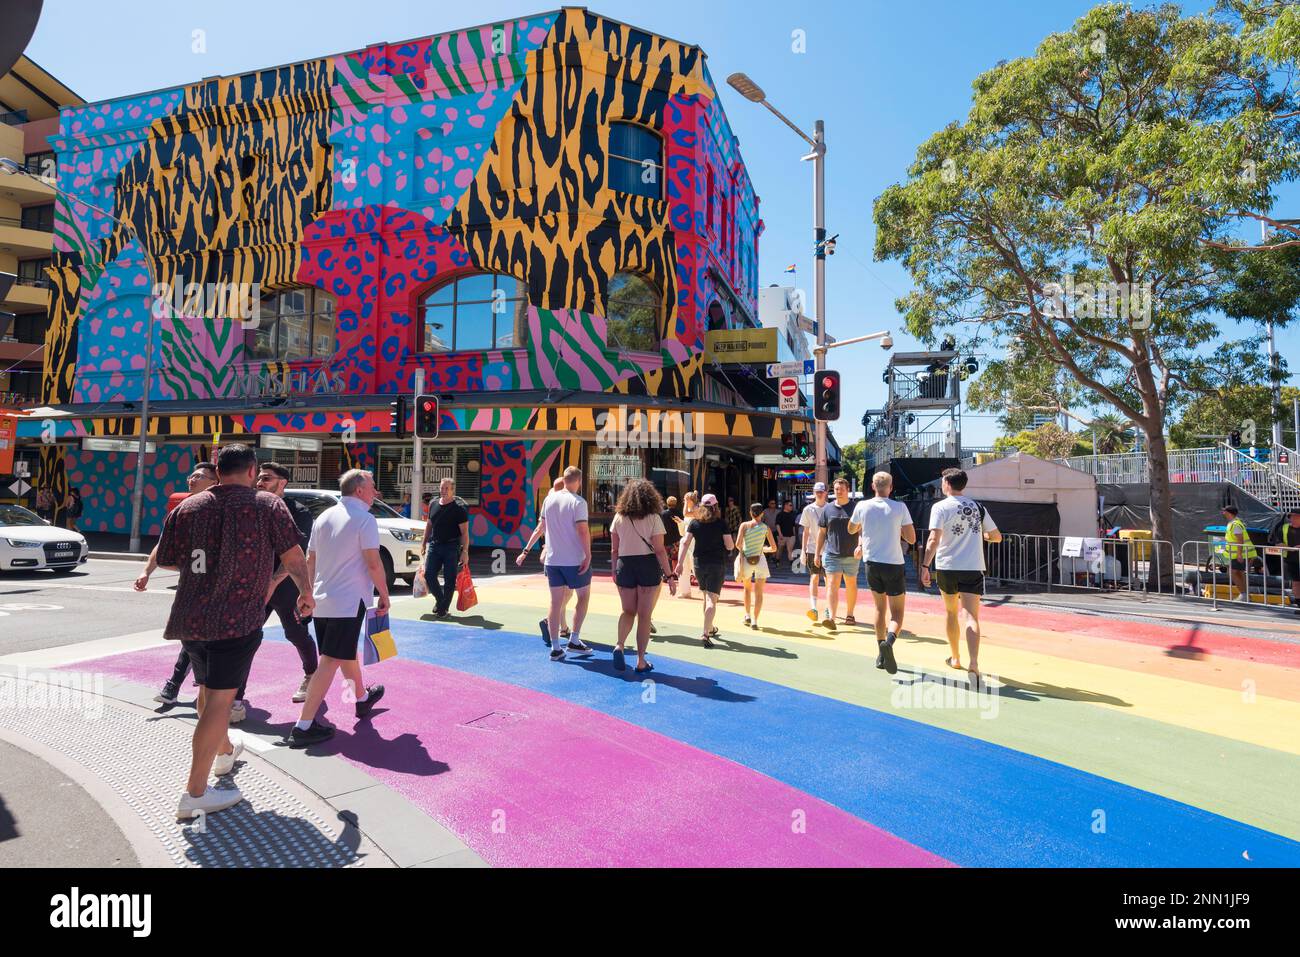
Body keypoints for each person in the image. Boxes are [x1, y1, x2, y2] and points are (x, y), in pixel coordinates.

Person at [154, 443, 313, 821]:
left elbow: (167, 558)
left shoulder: (189, 507)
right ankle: (195, 792)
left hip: (191, 616)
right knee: (220, 701)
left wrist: (205, 569)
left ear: (218, 469)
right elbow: (293, 557)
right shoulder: (268, 505)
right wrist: (306, 593)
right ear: (251, 468)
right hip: (237, 617)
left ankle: (224, 755)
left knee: (209, 692)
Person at [289, 469, 390, 748]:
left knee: (342, 654)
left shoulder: (324, 517)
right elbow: (373, 563)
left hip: (323, 600)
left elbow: (311, 560)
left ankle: (361, 698)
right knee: (330, 660)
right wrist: (384, 594)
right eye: (371, 486)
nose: (374, 491)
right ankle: (303, 725)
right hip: (348, 601)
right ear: (359, 490)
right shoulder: (365, 520)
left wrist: (305, 593)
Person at [141, 462, 229, 710]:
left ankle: (189, 687)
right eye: (192, 475)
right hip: (191, 587)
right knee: (191, 638)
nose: (192, 479)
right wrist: (147, 571)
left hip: (215, 590)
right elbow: (163, 547)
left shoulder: (220, 509)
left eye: (200, 476)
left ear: (215, 482)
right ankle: (186, 686)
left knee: (198, 639)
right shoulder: (182, 510)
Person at [919, 467, 1001, 684]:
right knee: (972, 617)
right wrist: (983, 536)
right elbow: (997, 537)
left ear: (946, 483)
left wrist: (925, 565)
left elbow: (933, 539)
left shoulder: (940, 507)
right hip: (973, 566)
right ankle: (974, 663)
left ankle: (955, 657)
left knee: (950, 612)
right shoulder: (977, 507)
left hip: (947, 566)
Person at [256, 462, 321, 703]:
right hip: (256, 585)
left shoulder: (299, 511)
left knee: (295, 633)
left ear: (282, 482)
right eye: (259, 478)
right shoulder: (254, 507)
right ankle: (235, 693)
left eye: (267, 478)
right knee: (247, 635)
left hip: (285, 586)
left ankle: (311, 674)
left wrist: (273, 582)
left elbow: (296, 554)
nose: (260, 482)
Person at [850, 471, 916, 674]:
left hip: (872, 563)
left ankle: (880, 654)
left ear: (872, 486)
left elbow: (851, 529)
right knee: (897, 612)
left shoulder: (862, 506)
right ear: (891, 486)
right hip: (894, 563)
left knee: (879, 609)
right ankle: (889, 642)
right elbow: (912, 539)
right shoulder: (900, 507)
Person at [525, 467, 593, 660]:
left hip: (553, 560)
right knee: (583, 597)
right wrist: (588, 555)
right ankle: (574, 639)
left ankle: (556, 647)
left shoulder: (549, 499)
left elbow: (542, 526)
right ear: (578, 481)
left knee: (555, 603)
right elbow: (582, 530)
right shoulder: (579, 502)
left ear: (564, 480)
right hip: (574, 560)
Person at [609, 479, 675, 674]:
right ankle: (640, 660)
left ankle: (619, 645)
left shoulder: (619, 517)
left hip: (625, 565)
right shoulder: (654, 518)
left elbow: (614, 550)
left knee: (627, 611)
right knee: (644, 616)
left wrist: (614, 571)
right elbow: (660, 550)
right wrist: (670, 576)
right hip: (647, 565)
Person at [517, 477, 572, 638]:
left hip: (551, 557)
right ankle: (549, 621)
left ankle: (563, 628)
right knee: (566, 594)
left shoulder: (549, 501)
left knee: (558, 595)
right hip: (566, 556)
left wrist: (525, 552)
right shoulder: (569, 503)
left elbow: (539, 529)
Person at [677, 493, 733, 647]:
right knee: (711, 600)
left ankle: (710, 627)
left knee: (705, 596)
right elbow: (729, 546)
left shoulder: (694, 523)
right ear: (715, 507)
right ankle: (705, 633)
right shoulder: (722, 524)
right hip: (716, 563)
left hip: (699, 564)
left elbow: (685, 542)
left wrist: (680, 563)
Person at [420, 477, 470, 617]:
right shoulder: (433, 504)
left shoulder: (459, 509)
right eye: (442, 488)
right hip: (435, 545)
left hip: (451, 547)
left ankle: (443, 609)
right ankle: (441, 601)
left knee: (449, 579)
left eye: (447, 488)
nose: (443, 491)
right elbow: (429, 525)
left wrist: (465, 551)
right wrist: (424, 543)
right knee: (429, 575)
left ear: (453, 490)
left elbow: (465, 533)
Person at [816, 478, 861, 628]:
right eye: (836, 489)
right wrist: (817, 553)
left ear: (848, 490)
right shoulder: (827, 509)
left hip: (851, 555)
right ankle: (832, 618)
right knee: (832, 585)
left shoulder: (856, 508)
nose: (839, 491)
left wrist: (860, 545)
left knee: (851, 585)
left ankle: (850, 614)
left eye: (841, 488)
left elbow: (861, 530)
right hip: (832, 554)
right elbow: (822, 533)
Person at [735, 502, 777, 628]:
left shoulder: (744, 525)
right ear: (762, 514)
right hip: (760, 560)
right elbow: (774, 548)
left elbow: (738, 544)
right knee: (759, 592)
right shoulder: (766, 528)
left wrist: (746, 549)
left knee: (747, 589)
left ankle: (747, 615)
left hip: (747, 559)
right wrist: (762, 549)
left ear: (750, 513)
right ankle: (755, 620)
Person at [800, 482, 829, 624]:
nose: (819, 493)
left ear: (826, 492)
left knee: (829, 579)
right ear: (814, 492)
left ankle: (829, 608)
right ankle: (814, 608)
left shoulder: (831, 508)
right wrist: (803, 551)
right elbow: (805, 532)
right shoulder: (808, 509)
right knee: (814, 577)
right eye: (817, 491)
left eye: (821, 491)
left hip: (830, 549)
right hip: (812, 548)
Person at [1222, 505, 1257, 602]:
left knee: (1232, 573)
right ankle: (1246, 595)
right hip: (1242, 553)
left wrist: (1239, 554)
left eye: (1224, 511)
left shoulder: (1235, 524)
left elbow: (1240, 539)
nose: (1223, 513)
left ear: (1229, 513)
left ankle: (1243, 594)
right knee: (1240, 573)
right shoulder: (1233, 523)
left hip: (1241, 554)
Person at [1268, 507, 1300, 612]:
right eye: (1292, 517)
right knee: (1296, 582)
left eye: (1296, 516)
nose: (1293, 518)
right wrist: (1292, 549)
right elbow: (1278, 543)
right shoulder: (1284, 528)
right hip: (1291, 559)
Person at [675, 490, 699, 599]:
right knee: (684, 566)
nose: (684, 501)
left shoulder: (697, 509)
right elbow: (686, 525)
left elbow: (685, 513)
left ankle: (707, 589)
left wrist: (685, 503)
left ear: (690, 500)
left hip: (695, 542)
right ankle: (685, 591)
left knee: (696, 565)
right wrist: (681, 522)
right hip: (685, 541)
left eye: (686, 499)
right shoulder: (690, 510)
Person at [776, 500, 798, 566]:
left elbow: (793, 526)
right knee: (780, 550)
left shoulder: (792, 514)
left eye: (792, 505)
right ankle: (777, 560)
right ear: (785, 506)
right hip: (782, 535)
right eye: (790, 505)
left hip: (791, 536)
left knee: (790, 550)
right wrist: (780, 534)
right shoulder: (780, 514)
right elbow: (777, 525)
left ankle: (791, 563)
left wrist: (794, 535)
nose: (792, 507)